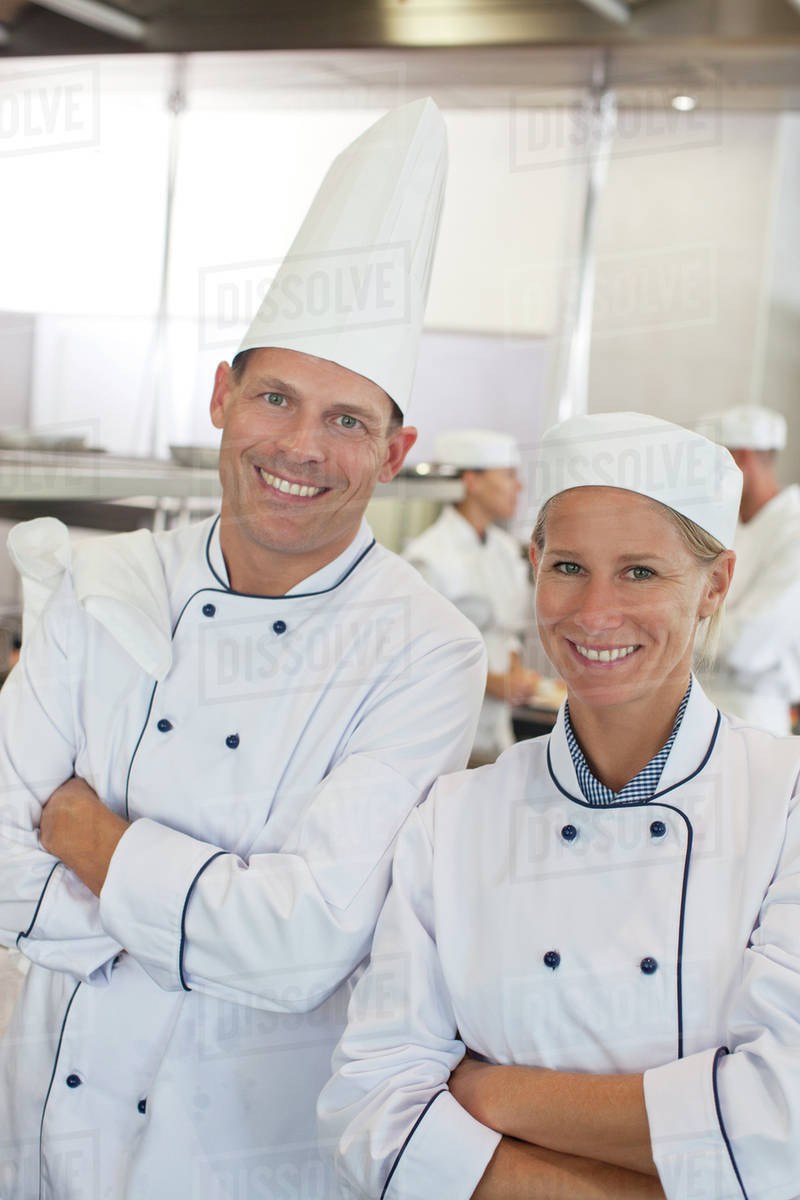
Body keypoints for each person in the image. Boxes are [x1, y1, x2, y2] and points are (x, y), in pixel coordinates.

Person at [0, 99, 487, 1200]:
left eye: (347, 421)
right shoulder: (100, 580)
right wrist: (196, 920)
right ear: (222, 396)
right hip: (37, 1129)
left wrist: (81, 831)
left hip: (227, 1158)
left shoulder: (423, 652)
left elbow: (302, 946)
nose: (301, 449)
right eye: (275, 397)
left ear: (396, 449)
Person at [319, 411, 800, 1200]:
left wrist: (491, 1093)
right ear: (533, 564)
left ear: (715, 584)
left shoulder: (784, 804)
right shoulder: (455, 817)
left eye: (641, 572)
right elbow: (368, 1109)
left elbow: (784, 1125)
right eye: (569, 566)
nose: (594, 612)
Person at [403, 429, 537, 764]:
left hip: (498, 729)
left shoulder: (506, 551)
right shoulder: (428, 557)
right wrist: (492, 683)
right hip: (445, 729)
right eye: (508, 476)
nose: (518, 486)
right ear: (472, 482)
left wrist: (516, 673)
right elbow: (419, 654)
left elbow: (507, 632)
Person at [695, 404, 800, 735]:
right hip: (700, 703)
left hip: (752, 716)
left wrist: (673, 628)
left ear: (741, 459)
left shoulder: (793, 527)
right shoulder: (728, 524)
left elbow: (750, 646)